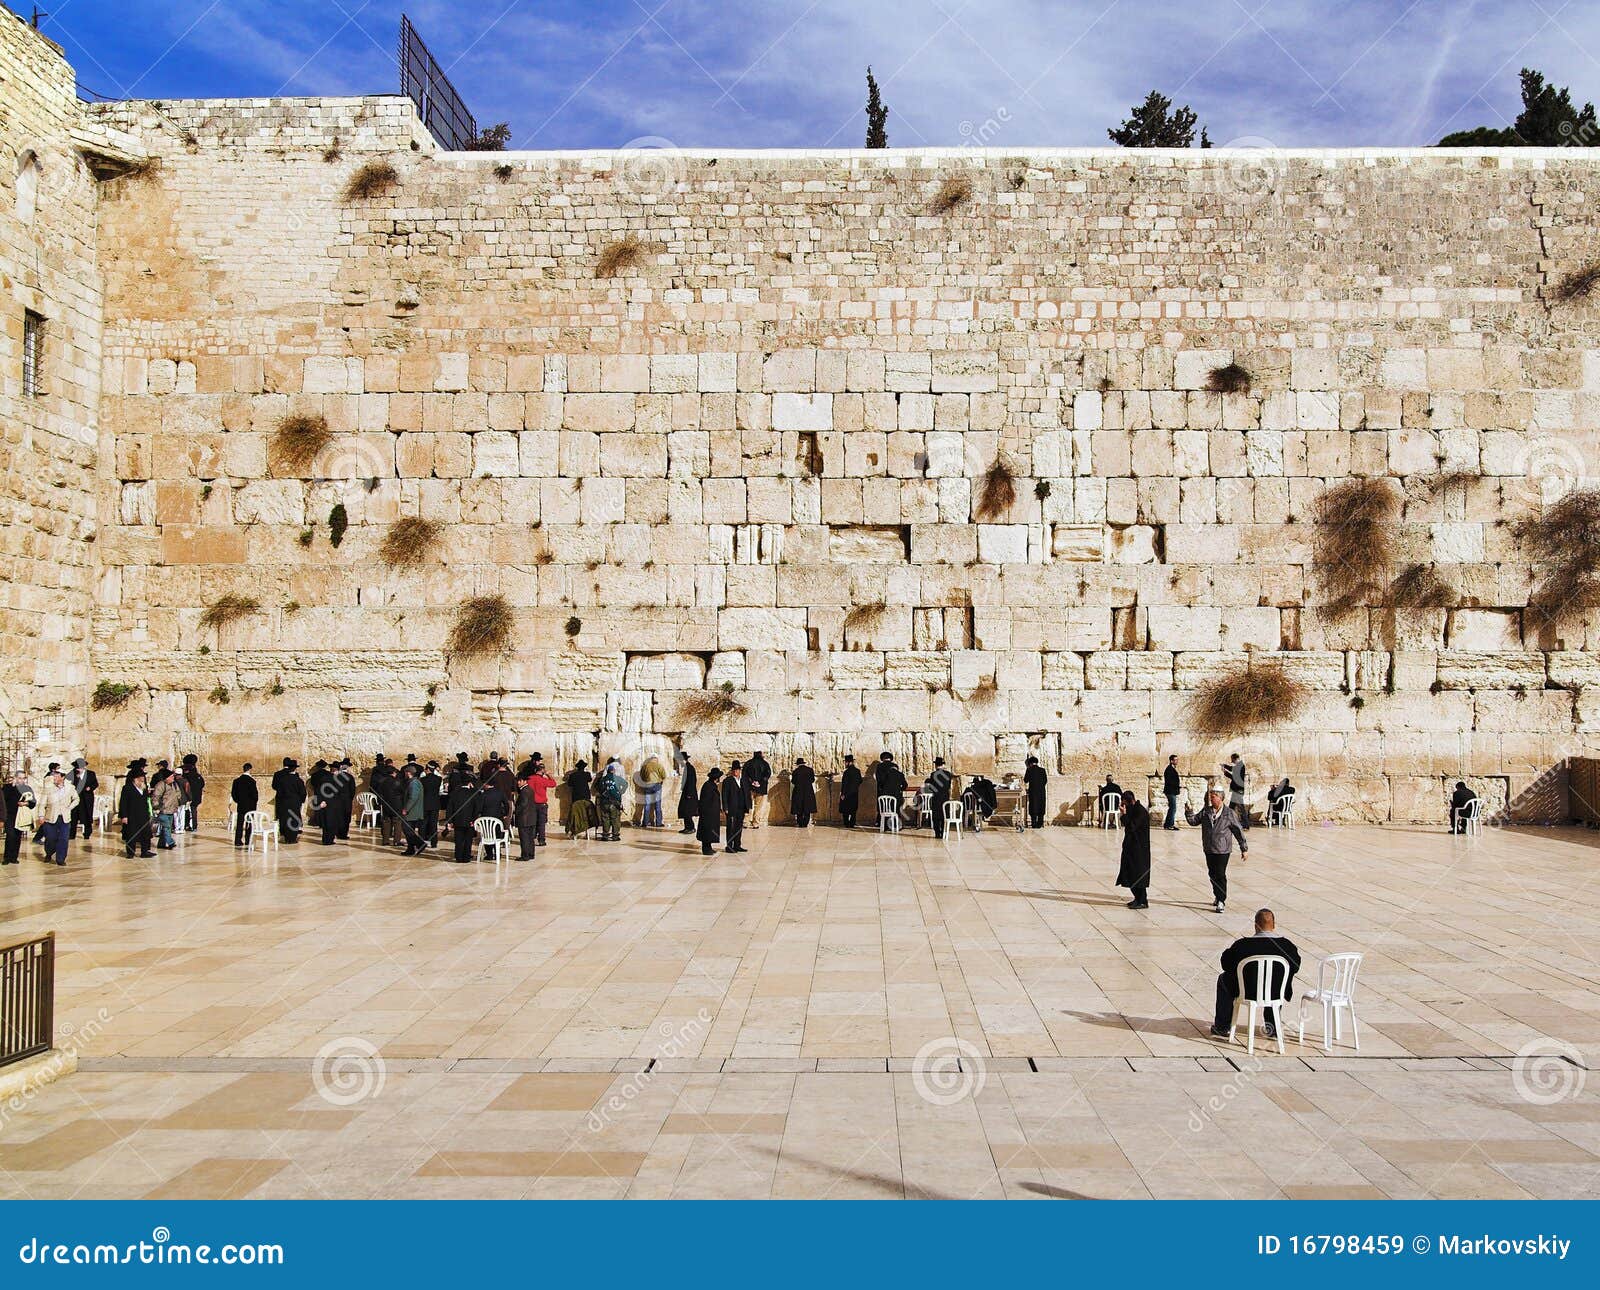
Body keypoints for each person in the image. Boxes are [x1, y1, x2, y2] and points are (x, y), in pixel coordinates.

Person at [1209, 908, 1301, 1040]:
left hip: (1246, 992)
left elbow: (1226, 964)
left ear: (1255, 925)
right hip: (1275, 992)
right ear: (1274, 925)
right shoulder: (1287, 947)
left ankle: (1222, 1026)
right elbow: (1296, 967)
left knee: (1223, 979)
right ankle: (1272, 1027)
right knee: (1276, 980)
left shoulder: (1242, 945)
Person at [1185, 788, 1248, 914]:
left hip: (1223, 849)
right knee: (1212, 874)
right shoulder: (1206, 811)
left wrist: (1244, 848)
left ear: (1220, 797)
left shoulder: (1229, 813)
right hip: (1209, 848)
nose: (1211, 798)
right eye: (1211, 796)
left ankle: (1221, 900)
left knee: (1220, 873)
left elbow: (1238, 831)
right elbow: (1194, 821)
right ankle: (1217, 894)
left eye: (1213, 796)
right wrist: (1189, 812)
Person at [1116, 790, 1152, 909]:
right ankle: (1138, 899)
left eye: (1124, 803)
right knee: (1130, 874)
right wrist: (1124, 814)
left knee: (1138, 875)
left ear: (1130, 801)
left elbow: (1131, 827)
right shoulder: (1134, 810)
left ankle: (1142, 901)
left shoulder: (1140, 812)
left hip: (1139, 850)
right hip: (1132, 848)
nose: (1123, 805)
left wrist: (1124, 814)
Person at [37, 767, 79, 867]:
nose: (54, 777)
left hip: (64, 817)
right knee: (51, 838)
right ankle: (49, 853)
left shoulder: (70, 787)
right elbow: (42, 803)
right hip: (50, 817)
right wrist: (41, 816)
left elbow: (76, 799)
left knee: (64, 839)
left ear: (63, 777)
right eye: (53, 775)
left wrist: (69, 807)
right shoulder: (48, 788)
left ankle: (60, 859)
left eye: (56, 776)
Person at [117, 770, 155, 858]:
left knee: (145, 834)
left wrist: (149, 813)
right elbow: (123, 803)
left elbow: (146, 802)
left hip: (143, 815)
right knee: (131, 834)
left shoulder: (144, 788)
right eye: (141, 777)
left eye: (143, 777)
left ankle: (144, 852)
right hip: (132, 816)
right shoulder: (127, 788)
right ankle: (130, 853)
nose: (143, 779)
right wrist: (124, 816)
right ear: (135, 779)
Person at [4, 770, 37, 865]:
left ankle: (14, 857)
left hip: (21, 816)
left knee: (17, 836)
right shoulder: (8, 787)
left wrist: (25, 803)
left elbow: (33, 802)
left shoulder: (27, 788)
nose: (21, 780)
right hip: (10, 815)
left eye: (23, 778)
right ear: (15, 778)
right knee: (10, 835)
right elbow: (3, 800)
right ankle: (7, 857)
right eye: (19, 778)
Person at [448, 774, 481, 862]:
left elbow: (450, 807)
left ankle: (458, 857)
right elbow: (476, 808)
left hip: (457, 820)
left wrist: (450, 820)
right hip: (469, 820)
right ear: (469, 783)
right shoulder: (473, 793)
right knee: (468, 840)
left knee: (458, 839)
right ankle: (466, 857)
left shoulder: (454, 793)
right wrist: (474, 819)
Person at [271, 758, 304, 843]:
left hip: (284, 802)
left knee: (284, 818)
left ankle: (286, 837)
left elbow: (278, 789)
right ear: (295, 768)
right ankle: (293, 838)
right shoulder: (298, 780)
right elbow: (303, 793)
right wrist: (300, 801)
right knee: (294, 819)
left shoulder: (282, 780)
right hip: (295, 802)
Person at [152, 769, 185, 850]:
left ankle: (161, 844)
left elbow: (178, 793)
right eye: (171, 776)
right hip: (163, 810)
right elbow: (155, 797)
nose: (173, 777)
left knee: (166, 828)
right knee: (167, 827)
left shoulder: (174, 784)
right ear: (166, 778)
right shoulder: (160, 785)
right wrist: (156, 807)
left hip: (171, 810)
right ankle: (170, 842)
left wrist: (177, 801)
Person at [595, 761, 626, 841]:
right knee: (615, 819)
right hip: (615, 802)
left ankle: (605, 835)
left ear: (607, 771)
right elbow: (625, 784)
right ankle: (615, 836)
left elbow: (597, 787)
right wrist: (620, 791)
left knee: (605, 819)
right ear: (613, 771)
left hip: (604, 802)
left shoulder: (603, 779)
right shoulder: (617, 779)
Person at [722, 760, 749, 853]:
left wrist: (748, 805)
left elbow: (747, 793)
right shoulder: (727, 781)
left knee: (739, 827)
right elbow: (724, 795)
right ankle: (729, 846)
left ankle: (737, 845)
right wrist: (725, 807)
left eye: (737, 770)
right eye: (733, 770)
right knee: (730, 827)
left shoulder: (744, 780)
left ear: (740, 770)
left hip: (741, 808)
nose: (735, 772)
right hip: (731, 808)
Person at [696, 767, 724, 856]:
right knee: (707, 831)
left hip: (711, 814)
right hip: (708, 814)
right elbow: (705, 801)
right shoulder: (708, 786)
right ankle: (706, 849)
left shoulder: (711, 785)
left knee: (710, 831)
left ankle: (709, 847)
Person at [69, 757, 98, 839]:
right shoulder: (73, 774)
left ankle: (87, 833)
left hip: (87, 797)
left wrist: (90, 788)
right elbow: (69, 784)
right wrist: (77, 777)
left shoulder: (91, 773)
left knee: (87, 815)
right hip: (75, 797)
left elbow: (95, 784)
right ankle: (71, 834)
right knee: (73, 815)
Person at [527, 763, 556, 847]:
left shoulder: (530, 779)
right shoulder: (543, 780)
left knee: (533, 822)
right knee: (541, 823)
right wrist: (549, 775)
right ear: (542, 770)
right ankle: (541, 840)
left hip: (532, 803)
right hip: (542, 804)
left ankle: (532, 838)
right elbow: (553, 784)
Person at [400, 766, 427, 856]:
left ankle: (420, 843)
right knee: (409, 830)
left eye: (405, 773)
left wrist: (406, 809)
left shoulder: (414, 783)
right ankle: (410, 849)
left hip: (412, 812)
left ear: (408, 773)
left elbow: (413, 797)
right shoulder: (413, 782)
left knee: (406, 829)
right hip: (413, 811)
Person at [308, 760, 335, 844]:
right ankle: (328, 839)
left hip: (318, 797)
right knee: (329, 819)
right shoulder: (330, 775)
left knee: (321, 815)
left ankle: (319, 824)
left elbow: (312, 785)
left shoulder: (314, 775)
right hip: (329, 799)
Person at [925, 757, 953, 838]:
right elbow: (948, 786)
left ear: (935, 765)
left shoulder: (933, 774)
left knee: (936, 815)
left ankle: (937, 832)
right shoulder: (948, 774)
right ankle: (944, 831)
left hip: (936, 797)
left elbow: (931, 786)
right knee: (944, 814)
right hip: (945, 797)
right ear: (943, 764)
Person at [231, 764, 258, 847]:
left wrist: (238, 801)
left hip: (241, 805)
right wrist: (254, 803)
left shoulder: (236, 781)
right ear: (250, 769)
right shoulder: (252, 781)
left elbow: (233, 794)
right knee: (249, 823)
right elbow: (255, 795)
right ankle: (248, 840)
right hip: (250, 806)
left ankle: (238, 841)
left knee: (239, 823)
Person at [514, 774, 539, 859]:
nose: (518, 782)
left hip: (524, 818)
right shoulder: (530, 789)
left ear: (524, 781)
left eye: (519, 781)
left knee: (524, 838)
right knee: (530, 838)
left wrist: (515, 811)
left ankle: (525, 855)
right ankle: (531, 854)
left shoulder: (524, 791)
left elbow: (523, 804)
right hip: (531, 818)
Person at [565, 760, 593, 837]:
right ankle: (586, 829)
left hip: (576, 797)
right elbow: (590, 779)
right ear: (584, 767)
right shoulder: (587, 774)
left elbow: (569, 784)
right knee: (585, 813)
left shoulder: (573, 775)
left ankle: (575, 830)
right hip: (586, 797)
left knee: (576, 814)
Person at [875, 751, 907, 819]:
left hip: (884, 793)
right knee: (896, 809)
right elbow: (904, 785)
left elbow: (879, 780)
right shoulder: (897, 769)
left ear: (883, 759)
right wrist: (900, 789)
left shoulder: (880, 766)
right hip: (896, 795)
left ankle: (883, 823)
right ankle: (895, 823)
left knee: (884, 809)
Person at [638, 753, 666, 827]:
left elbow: (642, 776)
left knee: (647, 805)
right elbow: (664, 775)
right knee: (658, 805)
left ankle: (645, 823)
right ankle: (658, 823)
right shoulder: (659, 765)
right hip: (657, 786)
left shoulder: (645, 766)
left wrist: (646, 781)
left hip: (647, 786)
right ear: (656, 758)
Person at [744, 749, 771, 829]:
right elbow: (767, 774)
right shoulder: (765, 764)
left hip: (750, 788)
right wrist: (759, 782)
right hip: (761, 788)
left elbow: (745, 775)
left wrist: (752, 782)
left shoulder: (748, 763)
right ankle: (756, 823)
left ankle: (746, 821)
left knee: (748, 805)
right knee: (759, 806)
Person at [1223, 753, 1249, 829]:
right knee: (1231, 808)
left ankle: (1246, 825)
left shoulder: (1240, 766)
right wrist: (1226, 773)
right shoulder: (1238, 766)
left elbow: (1234, 772)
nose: (1232, 761)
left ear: (1235, 759)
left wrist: (1225, 766)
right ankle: (1226, 822)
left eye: (1232, 760)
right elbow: (1234, 777)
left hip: (1238, 790)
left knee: (1241, 808)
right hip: (1236, 790)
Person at [421, 761, 442, 848]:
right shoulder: (438, 779)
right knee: (433, 824)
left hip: (425, 804)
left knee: (423, 824)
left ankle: (422, 842)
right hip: (435, 804)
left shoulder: (423, 780)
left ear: (428, 769)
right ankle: (434, 843)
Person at [790, 757, 817, 828]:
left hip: (798, 791)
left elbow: (793, 781)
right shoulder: (810, 770)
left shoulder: (795, 771)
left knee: (799, 808)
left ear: (798, 764)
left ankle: (800, 823)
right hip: (808, 791)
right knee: (807, 807)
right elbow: (812, 780)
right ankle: (805, 823)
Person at [181, 753, 205, 830]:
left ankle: (187, 825)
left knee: (187, 811)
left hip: (188, 796)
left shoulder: (185, 773)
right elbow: (202, 784)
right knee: (193, 810)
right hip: (196, 796)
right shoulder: (196, 774)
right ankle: (194, 826)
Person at [676, 752, 699, 835]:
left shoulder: (690, 768)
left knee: (687, 811)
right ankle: (687, 827)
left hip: (690, 794)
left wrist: (689, 794)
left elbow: (692, 782)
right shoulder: (687, 767)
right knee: (684, 810)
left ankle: (691, 827)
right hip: (687, 792)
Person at [1023, 755, 1048, 829]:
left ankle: (1034, 824)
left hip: (1033, 791)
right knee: (1041, 806)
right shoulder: (1042, 770)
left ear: (1030, 763)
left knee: (1033, 806)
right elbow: (1045, 781)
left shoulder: (1029, 770)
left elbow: (1025, 780)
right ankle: (1040, 824)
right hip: (1041, 791)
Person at [838, 754, 862, 828]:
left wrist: (843, 793)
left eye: (845, 762)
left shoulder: (847, 772)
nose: (845, 764)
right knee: (853, 809)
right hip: (854, 793)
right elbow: (860, 781)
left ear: (849, 762)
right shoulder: (857, 771)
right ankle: (852, 823)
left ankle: (846, 824)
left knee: (845, 810)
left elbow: (844, 784)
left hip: (847, 793)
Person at [1161, 755, 1182, 830]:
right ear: (1171, 761)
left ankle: (1168, 824)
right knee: (1173, 808)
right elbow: (1169, 781)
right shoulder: (1169, 769)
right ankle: (1169, 824)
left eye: (1177, 760)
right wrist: (1177, 786)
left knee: (1172, 808)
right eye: (1175, 760)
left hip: (1172, 791)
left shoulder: (1172, 769)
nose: (1177, 761)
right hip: (1170, 791)